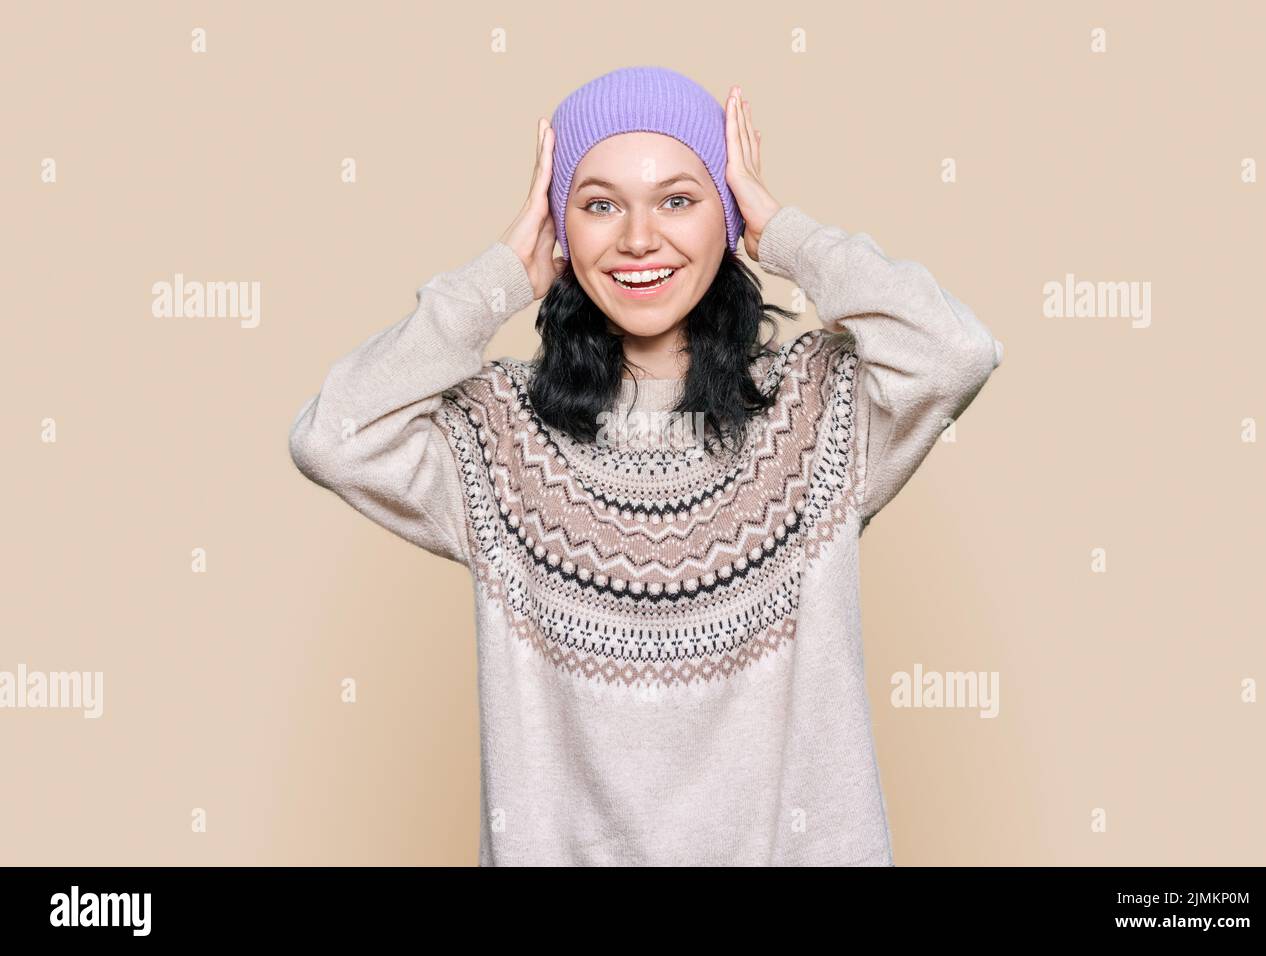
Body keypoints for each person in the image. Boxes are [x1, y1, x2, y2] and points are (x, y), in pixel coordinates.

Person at [288, 65, 1003, 866]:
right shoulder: (498, 431)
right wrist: (495, 280)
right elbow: (331, 436)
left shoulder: (818, 407)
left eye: (679, 200)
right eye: (598, 205)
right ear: (562, 229)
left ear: (724, 218)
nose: (637, 239)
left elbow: (957, 351)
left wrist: (784, 233)